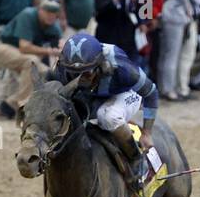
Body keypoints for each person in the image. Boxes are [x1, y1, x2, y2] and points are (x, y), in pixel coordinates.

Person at [53, 33, 159, 183]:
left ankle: (137, 160)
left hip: (125, 93)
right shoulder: (62, 68)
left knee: (107, 116)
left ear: (100, 64)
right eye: (74, 74)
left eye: (86, 73)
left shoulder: (122, 68)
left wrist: (147, 133)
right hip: (92, 96)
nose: (79, 79)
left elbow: (151, 92)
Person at [0, 0, 63, 119]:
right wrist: (50, 51)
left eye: (54, 11)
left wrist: (62, 48)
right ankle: (20, 106)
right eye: (47, 10)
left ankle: (8, 106)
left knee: (46, 72)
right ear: (40, 9)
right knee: (31, 62)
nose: (50, 14)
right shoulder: (28, 14)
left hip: (21, 53)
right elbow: (24, 46)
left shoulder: (54, 24)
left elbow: (60, 45)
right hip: (0, 46)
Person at [157, 0, 200, 101]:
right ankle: (169, 90)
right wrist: (188, 10)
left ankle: (164, 88)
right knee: (172, 55)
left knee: (166, 55)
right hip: (174, 17)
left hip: (169, 15)